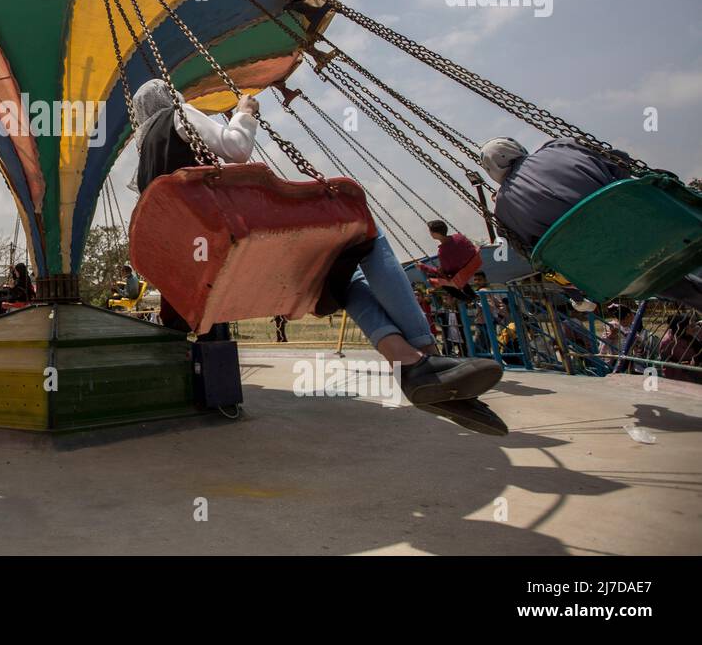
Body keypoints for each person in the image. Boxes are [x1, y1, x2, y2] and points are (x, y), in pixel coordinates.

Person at [129, 79, 505, 435]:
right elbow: (237, 148)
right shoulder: (179, 114)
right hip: (244, 240)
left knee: (340, 279)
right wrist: (245, 112)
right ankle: (426, 356)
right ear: (170, 96)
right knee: (367, 239)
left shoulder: (144, 166)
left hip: (213, 270)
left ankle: (407, 362)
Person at [483, 136, 702, 312]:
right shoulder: (561, 146)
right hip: (651, 226)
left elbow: (534, 256)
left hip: (613, 268)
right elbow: (621, 165)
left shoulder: (502, 212)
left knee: (662, 280)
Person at [415, 220, 479, 301]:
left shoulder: (443, 252)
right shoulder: (459, 237)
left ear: (436, 234)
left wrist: (423, 267)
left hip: (461, 272)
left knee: (443, 280)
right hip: (473, 262)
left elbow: (445, 272)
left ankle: (467, 300)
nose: (430, 233)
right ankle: (473, 296)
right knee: (457, 276)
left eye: (430, 232)